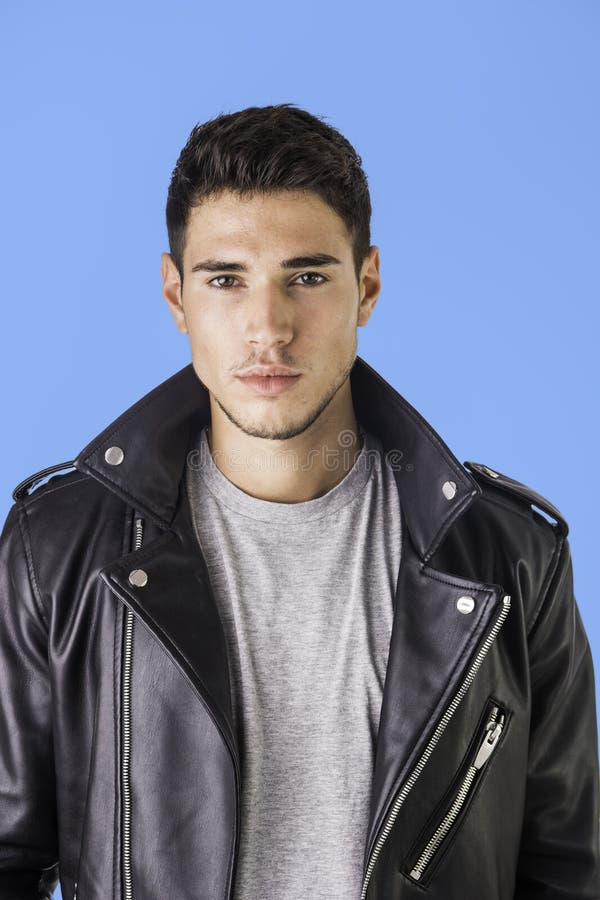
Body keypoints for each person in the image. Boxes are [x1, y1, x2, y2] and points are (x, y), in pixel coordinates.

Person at [0, 103, 598, 900]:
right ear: (177, 297)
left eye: (307, 277)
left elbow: (566, 869)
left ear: (368, 287)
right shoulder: (58, 549)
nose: (268, 328)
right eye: (226, 280)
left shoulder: (507, 557)